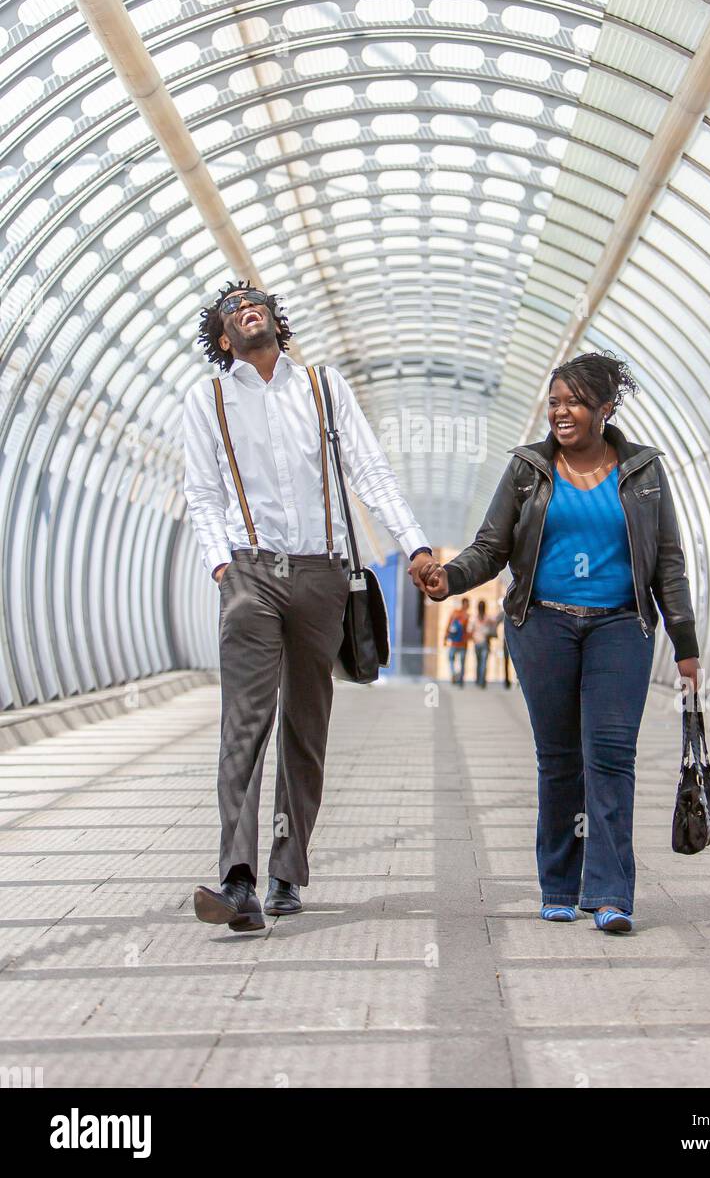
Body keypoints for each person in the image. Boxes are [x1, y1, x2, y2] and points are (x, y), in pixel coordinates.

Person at [412, 352, 701, 934]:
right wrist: (450, 579)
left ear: (605, 408)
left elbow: (668, 561)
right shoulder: (527, 469)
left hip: (622, 626)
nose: (560, 412)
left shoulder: (643, 472)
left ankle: (612, 892)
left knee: (612, 757)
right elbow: (492, 548)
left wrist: (685, 641)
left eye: (572, 402)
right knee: (560, 759)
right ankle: (560, 886)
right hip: (542, 625)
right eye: (554, 402)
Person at [183, 281, 434, 931]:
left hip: (323, 576)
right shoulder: (207, 398)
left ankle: (287, 868)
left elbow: (371, 472)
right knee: (245, 721)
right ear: (223, 337)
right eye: (232, 304)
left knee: (306, 725)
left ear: (274, 319)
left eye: (254, 295)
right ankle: (238, 880)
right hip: (249, 573)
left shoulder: (323, 387)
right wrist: (220, 566)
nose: (246, 300)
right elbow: (202, 494)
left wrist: (414, 546)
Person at [473, 599, 501, 689]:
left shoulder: (476, 618)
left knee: (479, 662)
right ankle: (481, 681)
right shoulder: (487, 618)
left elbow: (470, 630)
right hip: (484, 642)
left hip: (478, 642)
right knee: (483, 663)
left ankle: (479, 681)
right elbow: (495, 622)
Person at [444, 597, 471, 685]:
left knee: (456, 660)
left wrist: (445, 637)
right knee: (457, 660)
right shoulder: (464, 616)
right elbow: (450, 625)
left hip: (459, 642)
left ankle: (457, 676)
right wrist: (445, 637)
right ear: (464, 604)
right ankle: (457, 677)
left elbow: (449, 626)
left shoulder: (456, 613)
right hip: (459, 643)